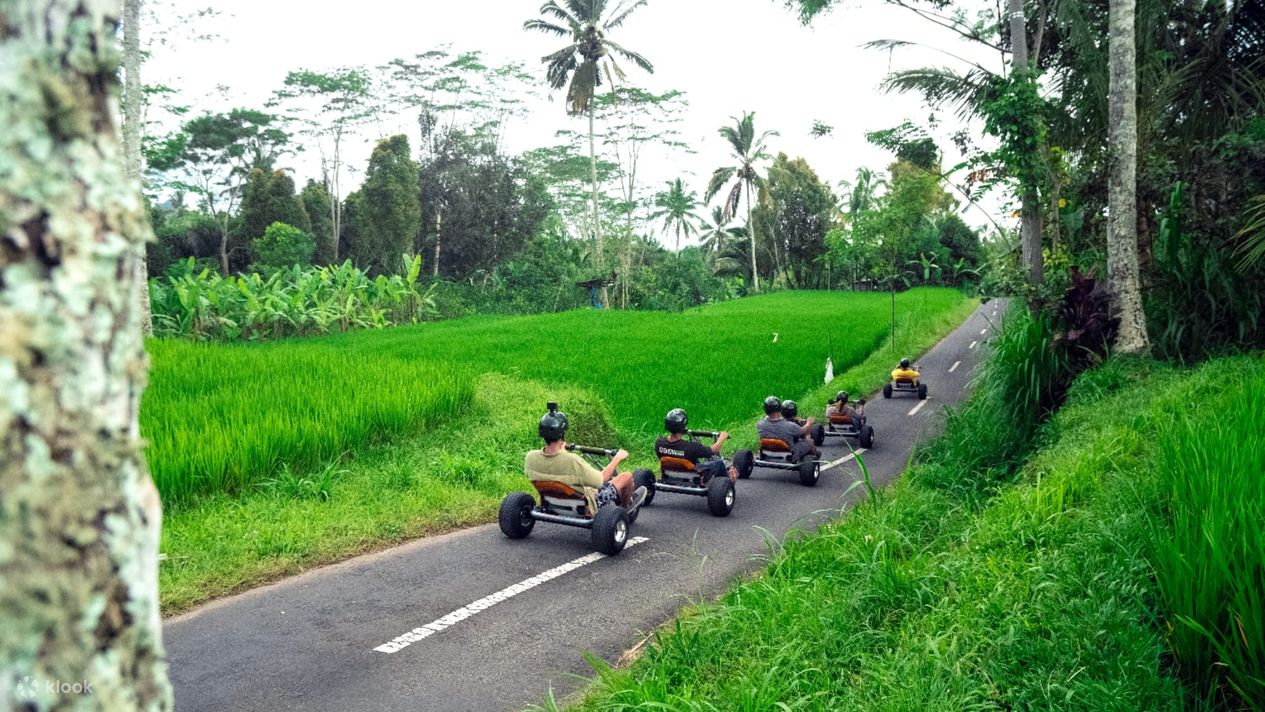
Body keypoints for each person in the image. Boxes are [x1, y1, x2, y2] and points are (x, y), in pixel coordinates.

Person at [524, 405, 644, 514]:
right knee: (626, 477)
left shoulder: (531, 457)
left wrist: (562, 451)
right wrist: (617, 458)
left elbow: (552, 464)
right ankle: (624, 508)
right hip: (585, 505)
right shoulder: (572, 461)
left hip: (551, 502)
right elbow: (600, 481)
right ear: (562, 434)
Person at [654, 408, 738, 482]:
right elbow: (713, 450)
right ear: (683, 427)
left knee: (693, 460)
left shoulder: (659, 443)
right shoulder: (691, 447)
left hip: (670, 473)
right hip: (693, 477)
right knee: (719, 463)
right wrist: (722, 437)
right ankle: (729, 482)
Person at [756, 395, 818, 461]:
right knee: (810, 441)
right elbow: (803, 430)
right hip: (789, 456)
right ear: (780, 408)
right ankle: (814, 459)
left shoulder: (760, 424)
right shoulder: (790, 426)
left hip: (767, 453)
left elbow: (768, 419)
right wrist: (809, 423)